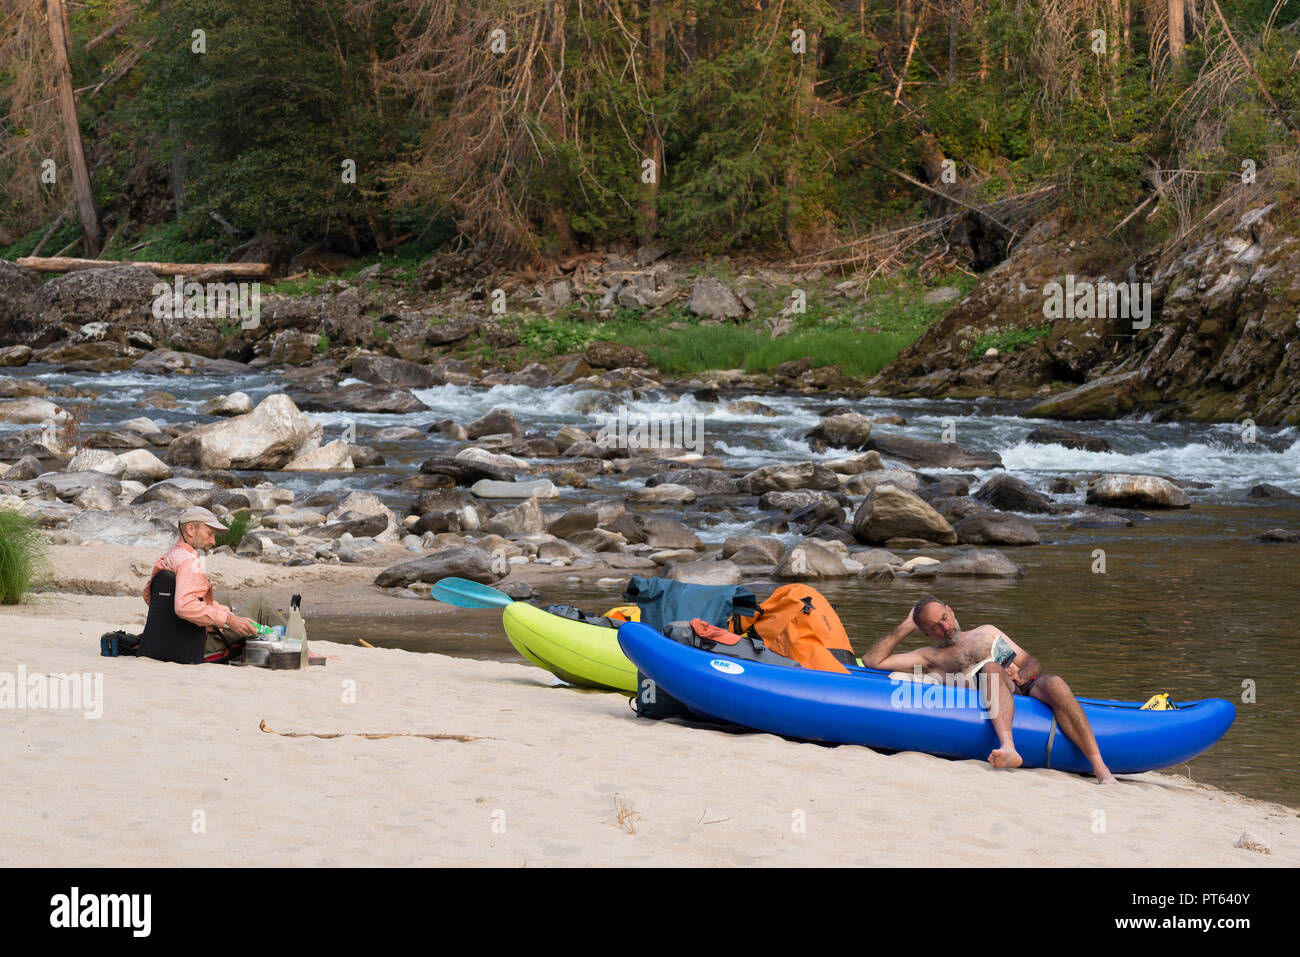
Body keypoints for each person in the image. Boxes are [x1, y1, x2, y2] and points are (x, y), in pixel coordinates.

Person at [861, 594, 1116, 785]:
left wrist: (1022, 674)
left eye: (944, 618)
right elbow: (874, 661)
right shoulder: (930, 657)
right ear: (926, 634)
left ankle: (1101, 769)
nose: (946, 626)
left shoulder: (987, 633)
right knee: (993, 667)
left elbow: (1030, 661)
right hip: (989, 689)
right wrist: (906, 625)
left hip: (1023, 685)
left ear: (950, 610)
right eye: (935, 626)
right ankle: (1009, 747)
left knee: (1056, 683)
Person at [139, 507, 286, 664]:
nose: (213, 541)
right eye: (210, 533)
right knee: (260, 602)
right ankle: (301, 648)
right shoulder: (189, 561)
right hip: (196, 642)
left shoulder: (167, 557)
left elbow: (149, 597)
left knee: (221, 598)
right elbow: (184, 607)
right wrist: (229, 619)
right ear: (190, 529)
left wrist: (223, 616)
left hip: (166, 639)